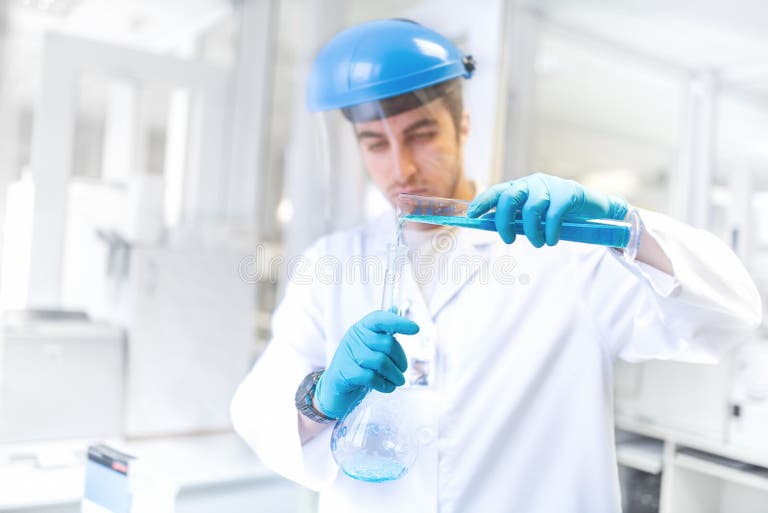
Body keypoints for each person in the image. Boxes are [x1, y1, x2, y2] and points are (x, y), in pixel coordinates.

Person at [231, 19, 762, 513]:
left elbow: (730, 315)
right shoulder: (331, 262)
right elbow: (258, 412)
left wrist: (623, 225)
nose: (403, 166)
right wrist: (319, 397)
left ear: (463, 125)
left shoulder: (563, 253)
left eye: (422, 134)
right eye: (376, 143)